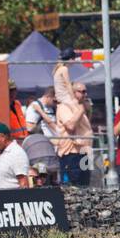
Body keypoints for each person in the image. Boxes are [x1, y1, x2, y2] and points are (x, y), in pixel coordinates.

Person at [53, 57, 93, 187]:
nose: (84, 94)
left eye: (85, 91)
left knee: (85, 184)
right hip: (71, 154)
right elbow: (70, 126)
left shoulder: (79, 108)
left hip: (85, 152)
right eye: (81, 91)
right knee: (73, 186)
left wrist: (85, 110)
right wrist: (81, 109)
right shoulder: (64, 107)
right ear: (73, 92)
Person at [0, 121, 31, 189]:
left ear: (3, 137)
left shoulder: (16, 153)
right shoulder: (4, 153)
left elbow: (23, 184)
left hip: (11, 198)